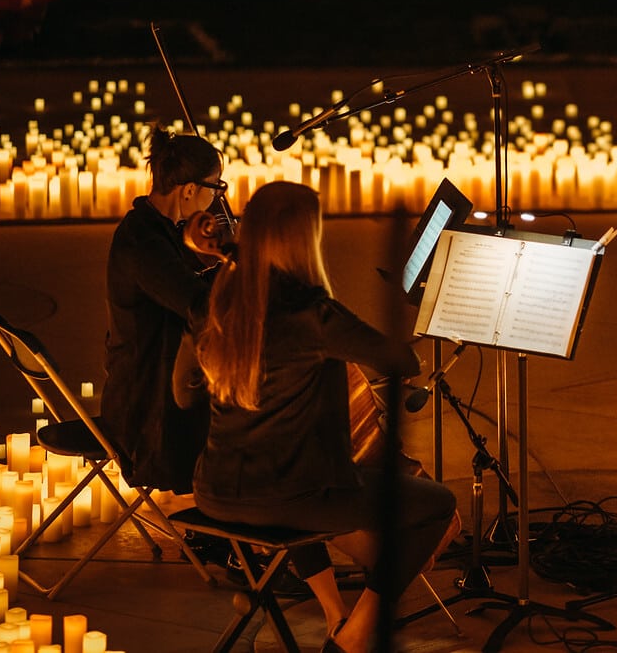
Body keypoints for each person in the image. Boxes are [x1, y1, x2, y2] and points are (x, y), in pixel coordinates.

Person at [174, 181, 457, 653]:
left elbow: (184, 395)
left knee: (291, 470)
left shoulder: (214, 302)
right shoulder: (312, 314)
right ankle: (357, 634)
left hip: (215, 492)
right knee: (436, 506)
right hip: (291, 496)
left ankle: (334, 614)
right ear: (307, 239)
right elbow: (401, 363)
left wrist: (232, 261)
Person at [100, 129, 226, 494]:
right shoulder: (144, 243)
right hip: (147, 406)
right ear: (188, 190)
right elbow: (198, 305)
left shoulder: (158, 229)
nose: (216, 198)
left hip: (158, 380)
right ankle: (228, 522)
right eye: (215, 187)